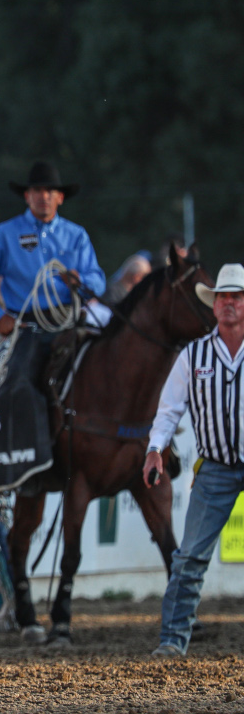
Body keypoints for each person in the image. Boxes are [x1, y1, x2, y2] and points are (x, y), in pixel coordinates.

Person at [145, 263, 244, 658]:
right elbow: (169, 409)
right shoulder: (193, 355)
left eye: (236, 297)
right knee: (189, 557)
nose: (229, 304)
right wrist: (155, 449)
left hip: (218, 465)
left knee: (190, 558)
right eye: (223, 297)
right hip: (216, 466)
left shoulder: (196, 353)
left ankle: (172, 639)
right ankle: (172, 641)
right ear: (214, 304)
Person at [0, 162, 105, 335]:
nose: (44, 197)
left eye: (50, 191)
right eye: (37, 190)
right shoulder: (4, 235)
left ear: (60, 197)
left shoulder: (77, 235)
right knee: (23, 362)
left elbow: (98, 282)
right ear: (27, 196)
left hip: (69, 324)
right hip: (25, 328)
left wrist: (81, 280)